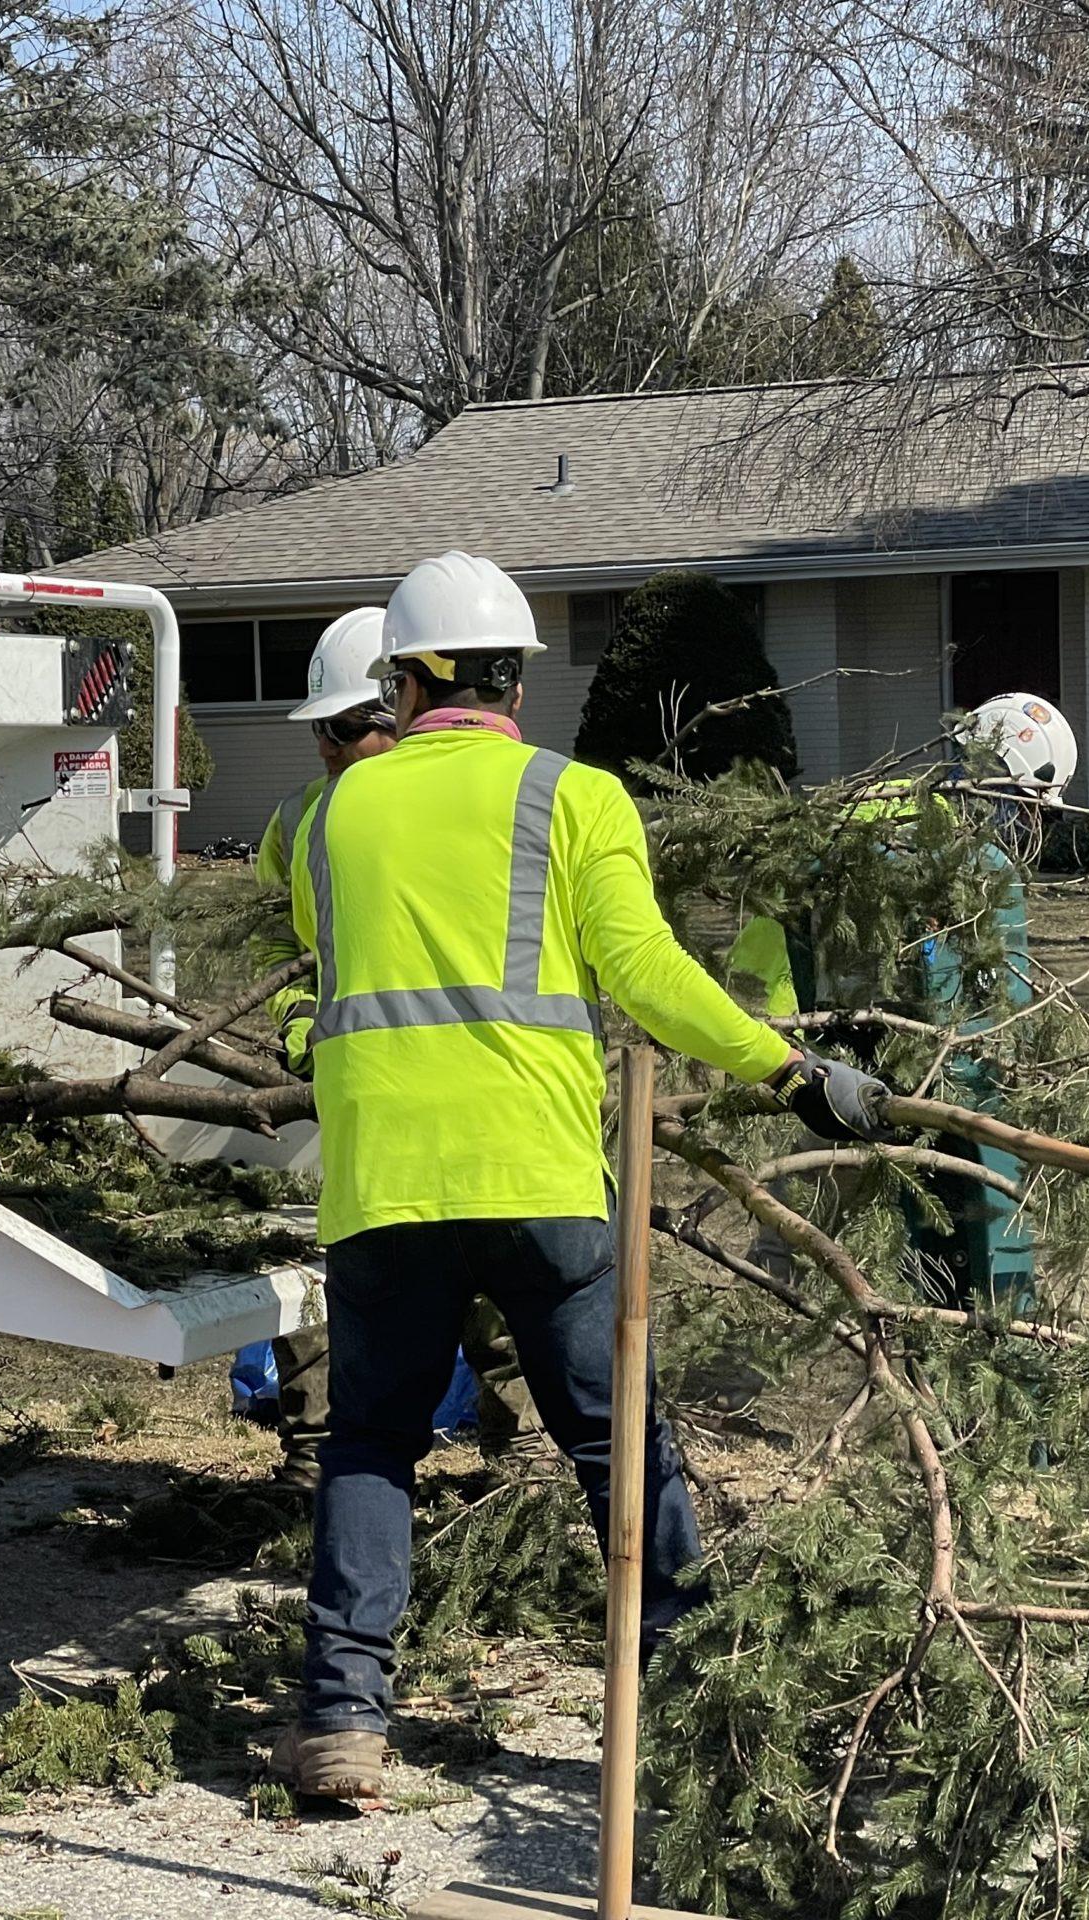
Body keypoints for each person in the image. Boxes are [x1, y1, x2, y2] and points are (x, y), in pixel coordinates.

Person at [270, 551, 890, 1800]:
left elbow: (324, 970)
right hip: (541, 1178)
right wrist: (791, 1071)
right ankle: (680, 1681)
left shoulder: (331, 816)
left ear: (403, 679)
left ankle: (344, 1717)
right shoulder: (573, 799)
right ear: (513, 677)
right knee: (615, 1440)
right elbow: (647, 976)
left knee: (371, 1444)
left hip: (384, 1185)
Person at [248, 607, 535, 1494]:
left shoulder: (475, 795)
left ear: (395, 711)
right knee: (315, 1258)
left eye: (345, 734)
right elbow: (277, 950)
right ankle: (316, 1449)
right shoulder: (300, 822)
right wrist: (299, 1021)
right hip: (354, 1091)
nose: (330, 756)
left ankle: (516, 1454)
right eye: (324, 739)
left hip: (476, 1089)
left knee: (493, 1271)